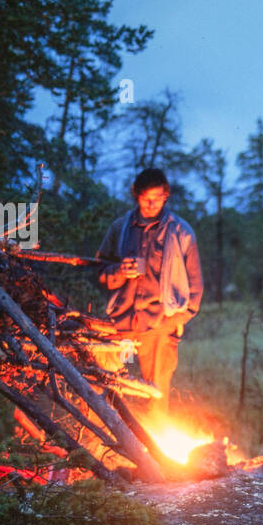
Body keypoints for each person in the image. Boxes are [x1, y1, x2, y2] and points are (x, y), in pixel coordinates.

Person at [96, 168, 203, 416]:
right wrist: (120, 271)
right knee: (107, 383)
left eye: (157, 197)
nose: (152, 203)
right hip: (121, 326)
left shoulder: (181, 232)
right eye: (146, 198)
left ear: (166, 195)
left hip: (158, 329)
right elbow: (100, 270)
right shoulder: (120, 228)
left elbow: (195, 288)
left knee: (156, 394)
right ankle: (100, 445)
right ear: (137, 196)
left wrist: (174, 321)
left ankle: (154, 449)